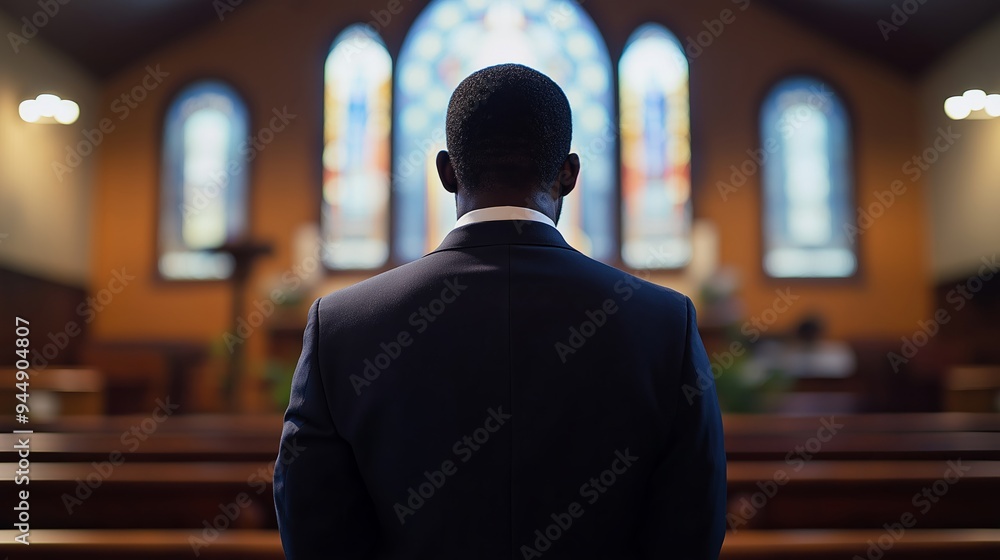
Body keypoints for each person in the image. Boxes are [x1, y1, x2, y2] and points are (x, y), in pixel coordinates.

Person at [274, 63, 726, 559]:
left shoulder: (342, 326)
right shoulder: (663, 323)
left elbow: (314, 530)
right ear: (570, 174)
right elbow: (692, 526)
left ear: (447, 171)